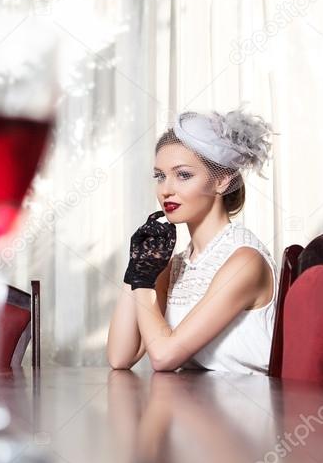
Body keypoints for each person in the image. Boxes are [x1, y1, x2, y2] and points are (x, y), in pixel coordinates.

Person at [107, 109, 276, 374]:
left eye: (183, 175)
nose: (166, 189)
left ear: (221, 181)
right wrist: (137, 270)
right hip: (194, 403)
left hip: (253, 406)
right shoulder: (175, 265)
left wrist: (143, 281)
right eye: (160, 176)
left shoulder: (245, 261)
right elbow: (120, 357)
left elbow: (163, 358)